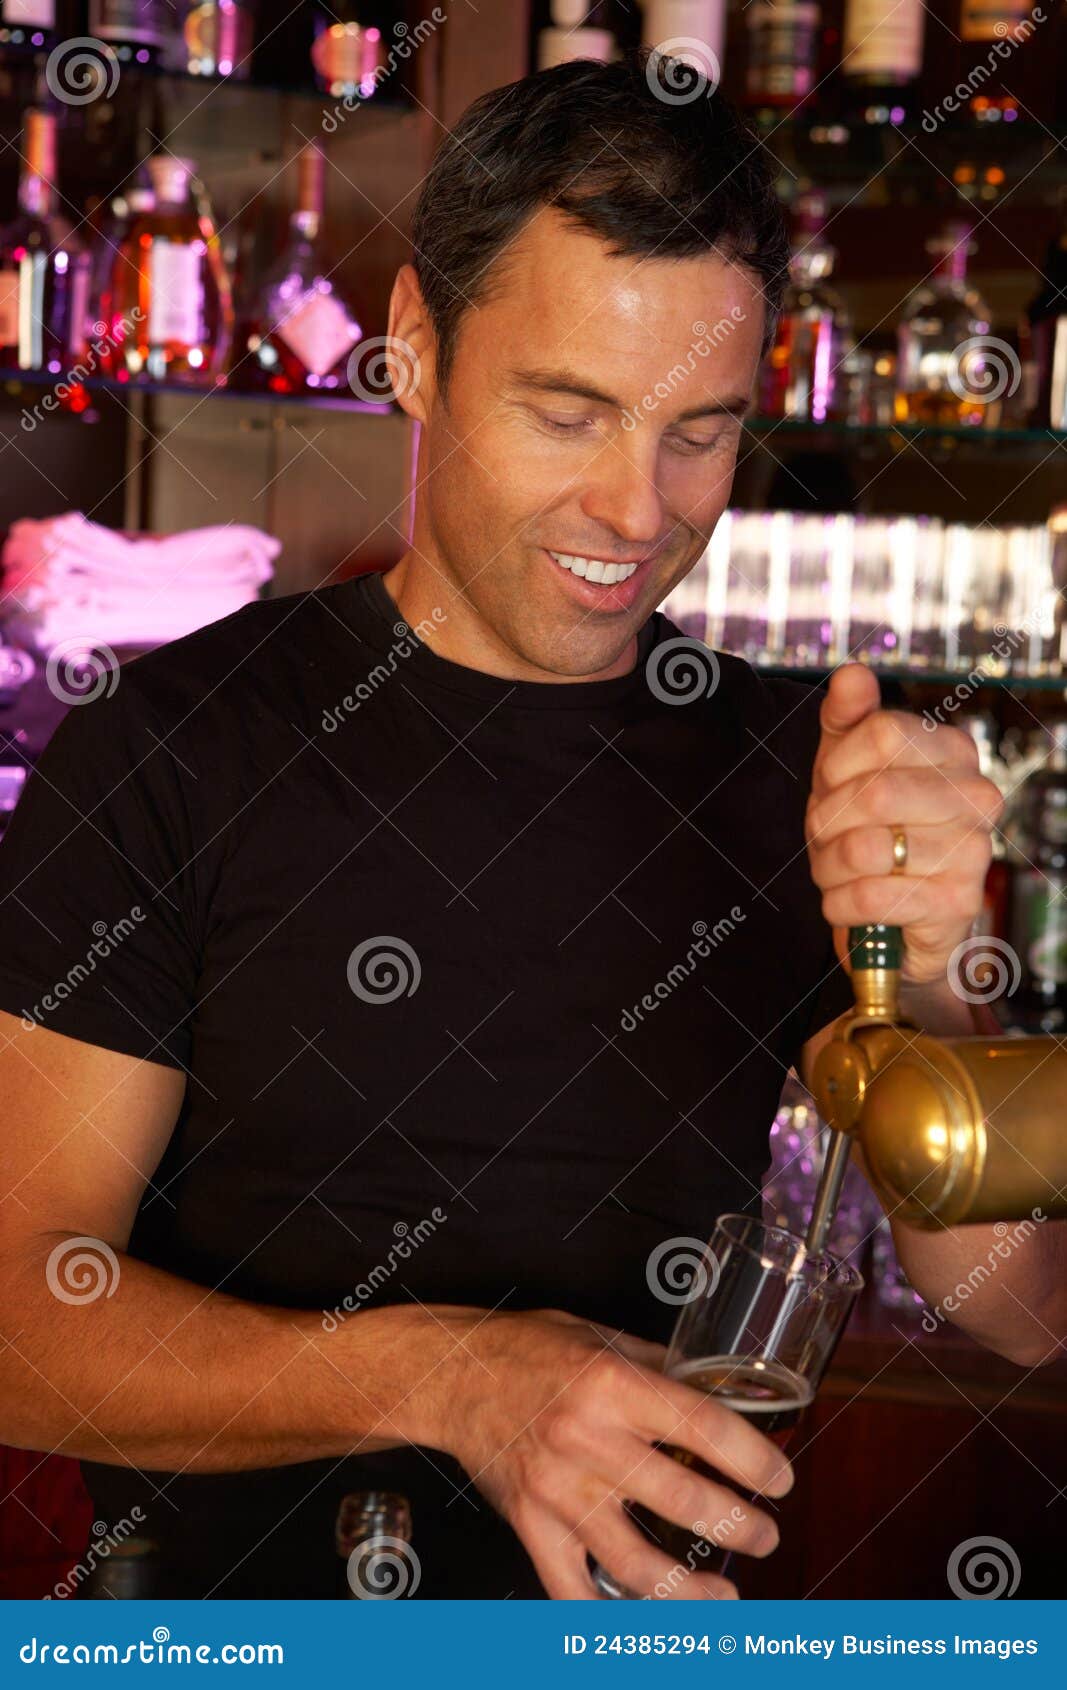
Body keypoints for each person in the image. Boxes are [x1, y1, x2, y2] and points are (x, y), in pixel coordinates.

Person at [0, 55, 1061, 1603]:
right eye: (571, 412)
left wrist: (953, 979)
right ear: (417, 353)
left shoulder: (797, 761)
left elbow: (1023, 1309)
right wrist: (452, 1381)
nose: (639, 510)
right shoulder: (177, 748)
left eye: (700, 432)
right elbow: (21, 1326)